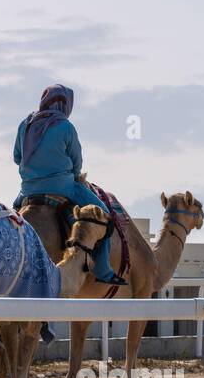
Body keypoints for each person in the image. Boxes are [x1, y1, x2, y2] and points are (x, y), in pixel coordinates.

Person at [13, 84, 126, 285]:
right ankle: (103, 270)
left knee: (13, 215)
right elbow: (76, 162)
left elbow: (17, 157)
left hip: (27, 190)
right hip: (63, 187)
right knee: (105, 219)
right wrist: (74, 176)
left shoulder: (25, 124)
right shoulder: (65, 126)